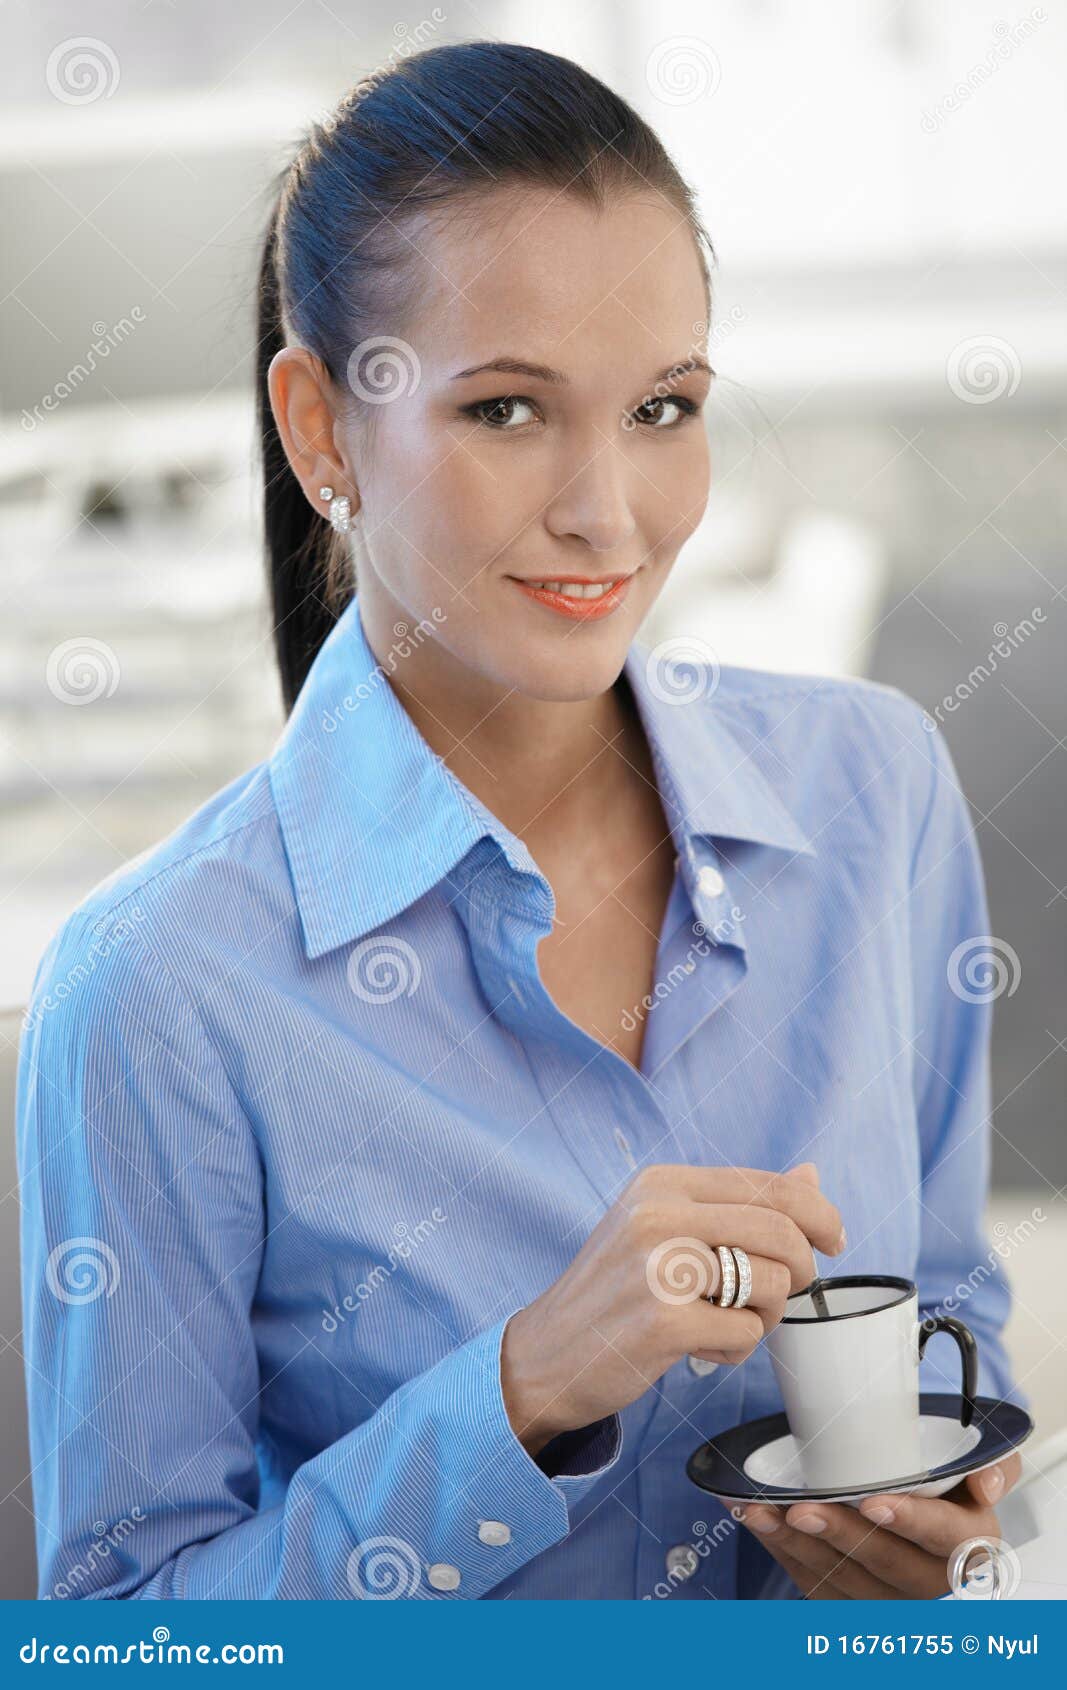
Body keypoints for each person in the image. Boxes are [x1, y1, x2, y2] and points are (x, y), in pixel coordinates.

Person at [17, 40, 1025, 1602]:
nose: (608, 514)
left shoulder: (876, 791)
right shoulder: (159, 991)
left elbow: (950, 1310)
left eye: (664, 406)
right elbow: (128, 1642)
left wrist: (945, 1534)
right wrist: (522, 1387)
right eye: (505, 409)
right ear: (320, 428)